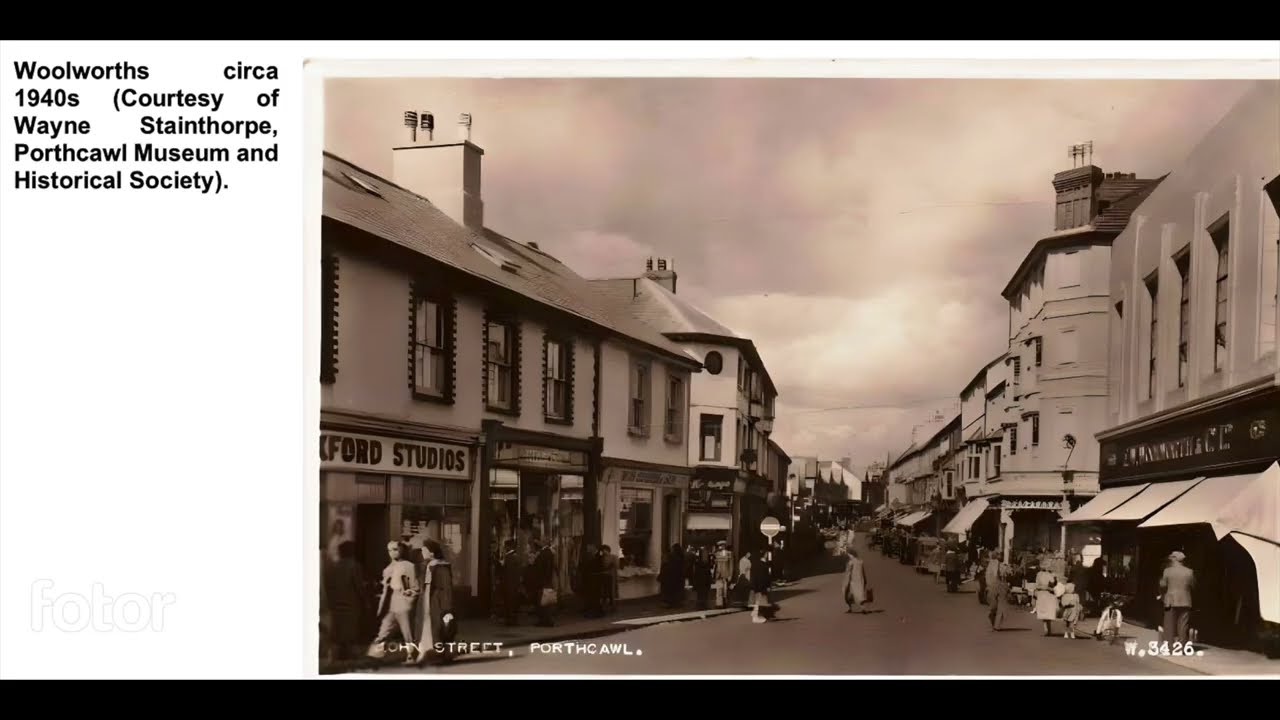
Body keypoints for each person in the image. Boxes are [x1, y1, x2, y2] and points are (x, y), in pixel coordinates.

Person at [368, 541, 419, 663]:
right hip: (391, 602)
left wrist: (410, 594)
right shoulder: (388, 568)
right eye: (390, 550)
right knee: (384, 628)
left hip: (403, 601)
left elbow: (415, 586)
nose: (392, 553)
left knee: (407, 631)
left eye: (395, 549)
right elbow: (385, 588)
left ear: (401, 550)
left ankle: (412, 655)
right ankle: (375, 655)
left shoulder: (409, 566)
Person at [415, 539, 456, 666]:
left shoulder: (442, 567)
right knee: (425, 625)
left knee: (438, 626)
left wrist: (447, 609)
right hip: (426, 598)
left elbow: (447, 589)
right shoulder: (425, 565)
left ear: (431, 552)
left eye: (424, 550)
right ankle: (426, 651)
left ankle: (440, 653)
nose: (422, 553)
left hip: (437, 600)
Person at [325, 541, 366, 663]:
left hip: (336, 604)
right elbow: (359, 586)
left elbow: (328, 586)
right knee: (350, 630)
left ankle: (339, 655)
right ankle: (350, 654)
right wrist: (365, 601)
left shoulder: (333, 567)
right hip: (351, 603)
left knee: (339, 629)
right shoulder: (354, 566)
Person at [1159, 550, 1195, 646]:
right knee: (1183, 625)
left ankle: (1169, 646)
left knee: (1169, 624)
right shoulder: (1189, 572)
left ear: (1174, 559)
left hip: (1170, 601)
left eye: (1171, 558)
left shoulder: (1167, 571)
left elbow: (1163, 585)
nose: (1170, 559)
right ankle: (1181, 647)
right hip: (1185, 601)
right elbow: (1193, 585)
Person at [529, 540, 555, 627]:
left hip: (543, 581)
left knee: (543, 601)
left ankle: (545, 620)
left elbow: (542, 568)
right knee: (546, 601)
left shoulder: (544, 553)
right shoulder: (549, 552)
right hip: (546, 580)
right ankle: (547, 620)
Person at [842, 547, 872, 613]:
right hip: (860, 580)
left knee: (848, 593)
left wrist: (847, 581)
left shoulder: (851, 562)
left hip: (853, 580)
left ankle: (850, 608)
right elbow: (863, 571)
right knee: (859, 594)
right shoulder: (860, 561)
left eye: (848, 554)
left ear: (851, 554)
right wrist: (865, 579)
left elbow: (848, 573)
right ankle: (862, 608)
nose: (848, 556)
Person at [500, 539, 523, 626]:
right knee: (513, 602)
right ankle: (513, 619)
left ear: (508, 547)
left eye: (505, 546)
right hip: (514, 583)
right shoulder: (515, 556)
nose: (504, 548)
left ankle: (510, 620)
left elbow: (506, 572)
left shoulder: (508, 557)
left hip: (508, 583)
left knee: (509, 602)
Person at [578, 542, 603, 618]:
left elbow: (596, 567)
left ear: (593, 547)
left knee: (595, 596)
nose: (587, 549)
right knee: (591, 595)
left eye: (588, 547)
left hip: (595, 579)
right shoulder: (592, 556)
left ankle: (596, 612)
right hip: (590, 579)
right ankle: (593, 611)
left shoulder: (599, 556)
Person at [749, 547, 773, 624]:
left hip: (757, 585)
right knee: (759, 601)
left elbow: (753, 576)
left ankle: (755, 614)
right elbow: (765, 577)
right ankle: (756, 617)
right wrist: (767, 585)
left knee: (758, 601)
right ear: (765, 554)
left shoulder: (756, 563)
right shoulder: (763, 564)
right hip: (761, 585)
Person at [988, 557, 1011, 630]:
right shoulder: (995, 565)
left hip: (1000, 587)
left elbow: (1007, 575)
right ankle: (995, 624)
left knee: (1000, 608)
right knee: (995, 608)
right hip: (996, 587)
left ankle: (996, 625)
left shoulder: (1003, 566)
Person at [660, 544, 686, 608]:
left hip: (670, 576)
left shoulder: (671, 557)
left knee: (669, 590)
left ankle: (669, 603)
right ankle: (676, 603)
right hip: (678, 577)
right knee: (677, 590)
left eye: (672, 548)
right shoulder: (681, 557)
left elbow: (666, 566)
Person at [713, 542, 733, 608]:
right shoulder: (717, 554)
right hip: (718, 574)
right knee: (718, 590)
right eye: (720, 546)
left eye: (722, 546)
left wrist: (730, 575)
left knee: (725, 591)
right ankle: (719, 604)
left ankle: (724, 603)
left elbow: (731, 565)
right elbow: (716, 565)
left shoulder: (729, 553)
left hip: (726, 574)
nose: (721, 547)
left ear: (724, 546)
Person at [600, 545, 619, 613]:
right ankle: (604, 607)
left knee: (611, 591)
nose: (603, 552)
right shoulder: (601, 558)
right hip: (604, 576)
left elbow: (616, 566)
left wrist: (609, 568)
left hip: (611, 576)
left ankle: (613, 606)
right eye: (602, 551)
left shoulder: (614, 557)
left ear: (607, 550)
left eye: (604, 550)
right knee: (604, 591)